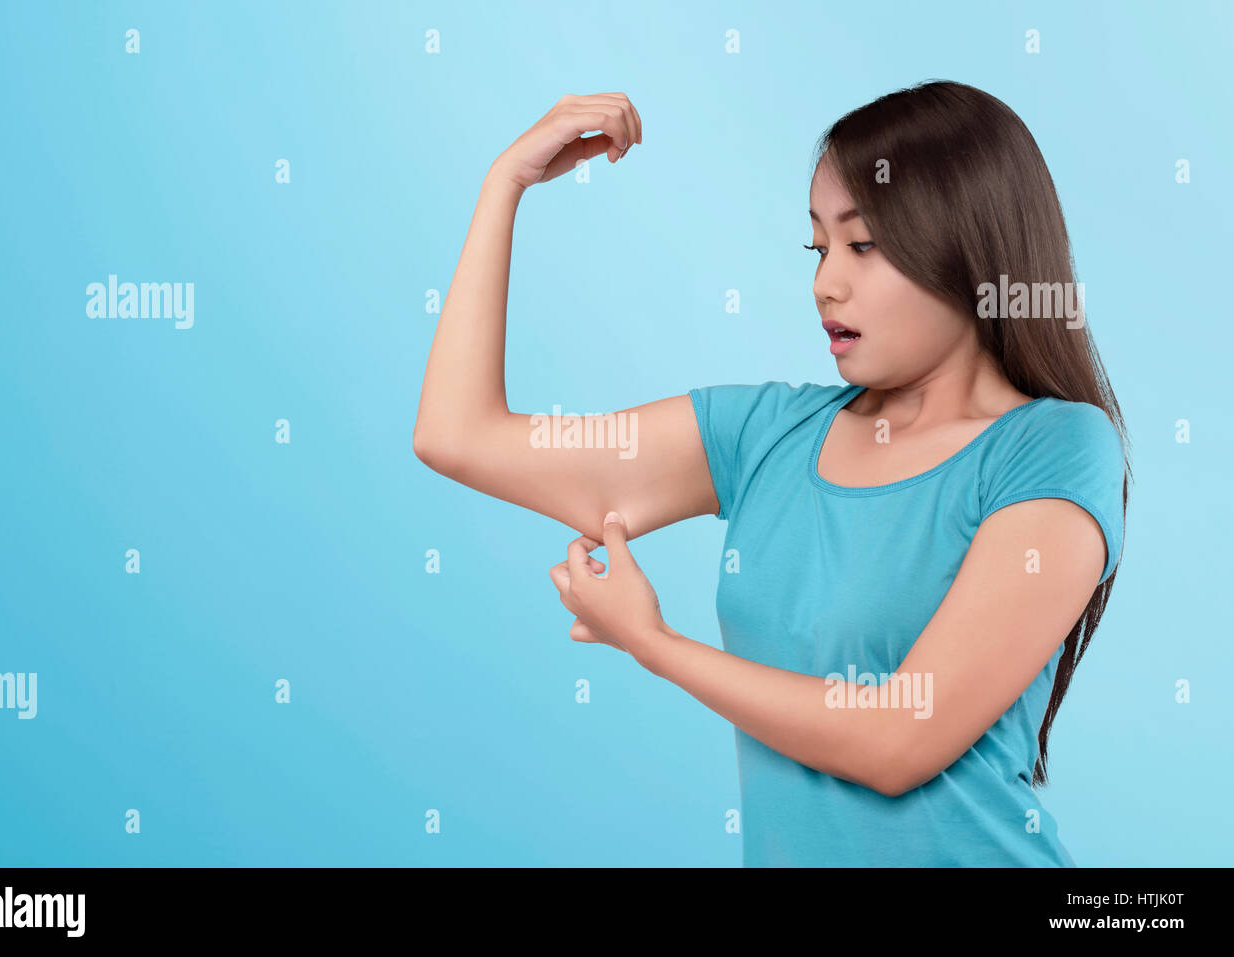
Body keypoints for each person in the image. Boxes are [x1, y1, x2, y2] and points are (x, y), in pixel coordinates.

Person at [413, 81, 1131, 867]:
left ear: (966, 247)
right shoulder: (765, 435)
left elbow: (898, 738)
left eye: (863, 245)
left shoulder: (1055, 447)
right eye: (817, 247)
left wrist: (654, 643)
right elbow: (460, 436)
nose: (825, 282)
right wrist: (503, 185)